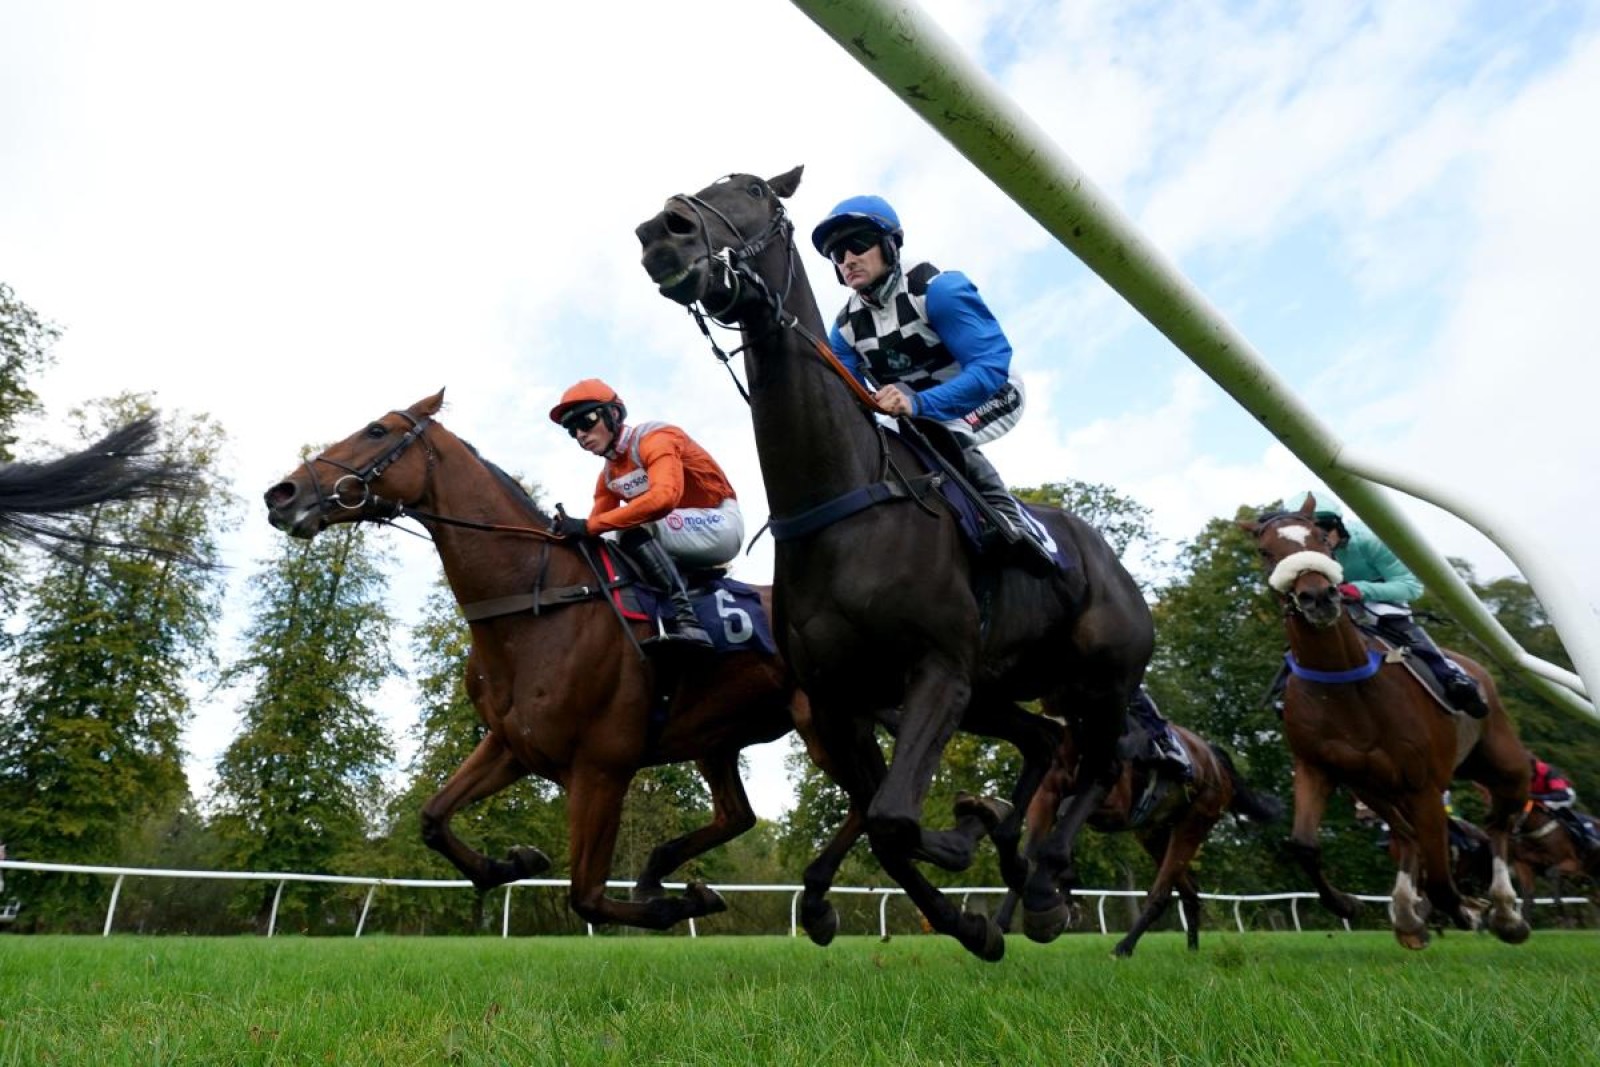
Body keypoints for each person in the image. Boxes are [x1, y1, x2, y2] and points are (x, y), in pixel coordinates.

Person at [810, 195, 1054, 575]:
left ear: (890, 244)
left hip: (991, 393)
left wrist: (919, 404)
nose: (847, 259)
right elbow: (851, 406)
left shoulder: (939, 289)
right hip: (917, 411)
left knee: (942, 431)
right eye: (837, 253)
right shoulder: (843, 329)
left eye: (857, 244)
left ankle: (1009, 522)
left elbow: (990, 367)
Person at [548, 379, 744, 648]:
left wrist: (589, 526)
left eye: (587, 421)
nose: (580, 434)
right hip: (678, 534)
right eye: (572, 430)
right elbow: (595, 530)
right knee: (612, 545)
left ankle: (688, 622)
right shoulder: (607, 476)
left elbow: (663, 499)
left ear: (613, 414)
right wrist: (567, 532)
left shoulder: (656, 438)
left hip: (720, 523)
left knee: (630, 529)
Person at [1274, 490, 1489, 718]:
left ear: (1339, 525)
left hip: (1380, 602)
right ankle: (1284, 691)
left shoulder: (1368, 541)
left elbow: (1411, 586)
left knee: (1395, 625)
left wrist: (1360, 590)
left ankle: (1449, 676)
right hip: (1332, 606)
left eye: (1325, 528)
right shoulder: (1296, 556)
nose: (1321, 538)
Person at [1528, 754, 1600, 859]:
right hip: (1541, 798)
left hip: (1562, 797)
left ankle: (1590, 836)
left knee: (1553, 808)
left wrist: (1535, 797)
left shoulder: (1549, 771)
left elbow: (1561, 795)